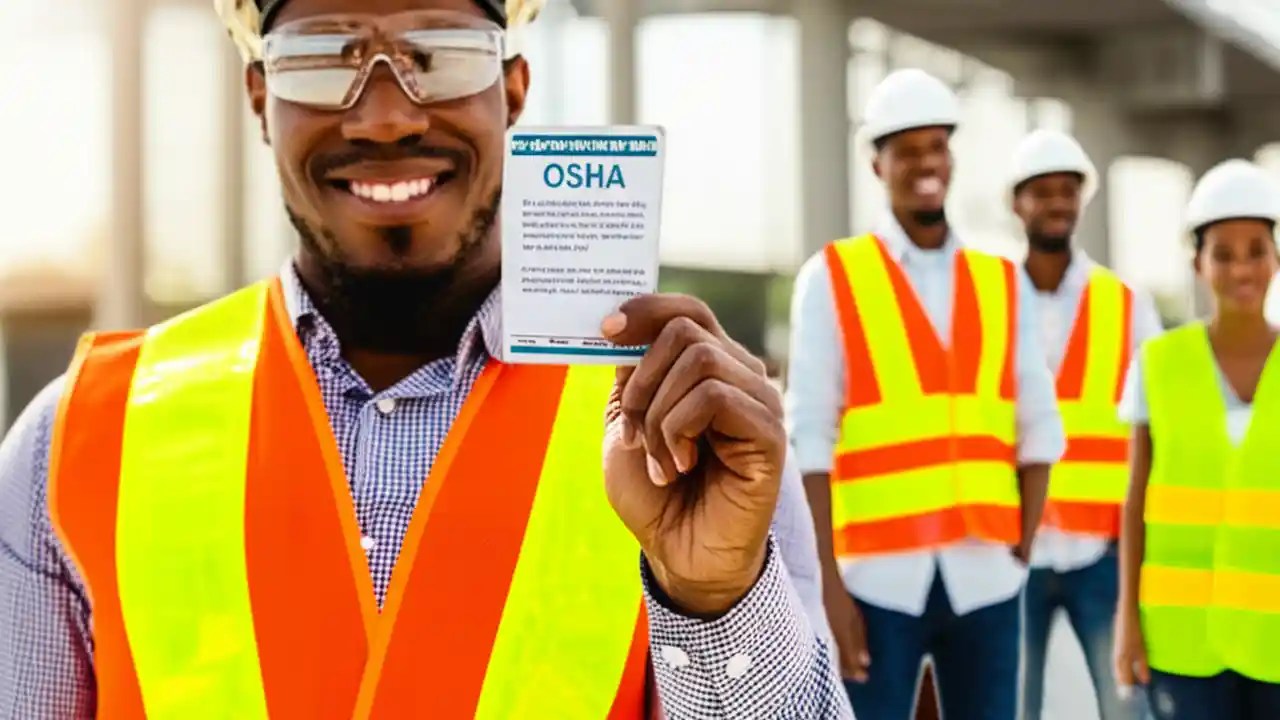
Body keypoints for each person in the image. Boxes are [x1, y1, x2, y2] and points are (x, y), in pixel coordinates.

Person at [0, 0, 851, 717]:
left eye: (439, 55)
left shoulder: (686, 429)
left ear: (512, 90)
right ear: (260, 98)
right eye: (322, 56)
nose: (386, 116)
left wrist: (717, 602)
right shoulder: (78, 439)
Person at [786, 67, 1065, 720]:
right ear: (876, 162)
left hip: (989, 580)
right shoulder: (832, 278)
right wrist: (827, 586)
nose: (925, 163)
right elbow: (810, 440)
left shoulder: (1001, 281)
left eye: (936, 146)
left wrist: (1022, 544)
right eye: (907, 149)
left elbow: (1037, 422)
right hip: (875, 586)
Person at [1114, 158, 1280, 720]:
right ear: (1198, 262)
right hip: (1182, 644)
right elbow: (1135, 501)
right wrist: (1126, 621)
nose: (1242, 270)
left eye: (1256, 250)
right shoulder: (1158, 364)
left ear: (1276, 258)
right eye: (1224, 254)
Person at [1009, 129, 1160, 720]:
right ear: (1017, 202)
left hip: (1100, 551)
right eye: (1042, 191)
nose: (1057, 202)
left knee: (1127, 706)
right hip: (1012, 549)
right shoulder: (989, 298)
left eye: (1068, 191)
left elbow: (1153, 427)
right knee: (1008, 708)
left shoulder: (1124, 303)